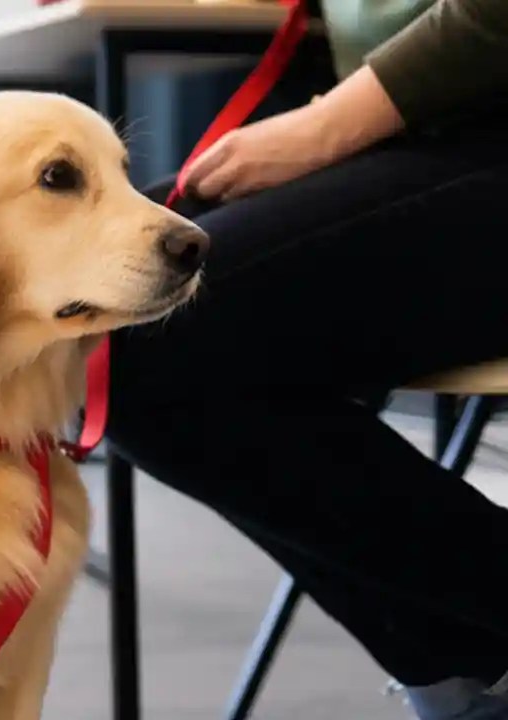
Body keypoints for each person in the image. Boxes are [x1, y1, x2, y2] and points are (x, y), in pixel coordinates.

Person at [108, 0, 508, 718]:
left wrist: (322, 128)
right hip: (414, 140)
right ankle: (468, 676)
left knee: (144, 340)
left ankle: (468, 674)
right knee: (98, 314)